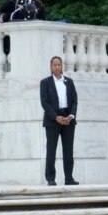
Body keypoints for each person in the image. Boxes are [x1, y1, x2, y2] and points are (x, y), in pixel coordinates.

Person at [40, 56, 78, 186]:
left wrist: (71, 116)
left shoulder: (69, 82)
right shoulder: (45, 82)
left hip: (68, 119)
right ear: (50, 67)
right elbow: (44, 102)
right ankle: (50, 178)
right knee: (51, 150)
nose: (57, 67)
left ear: (62, 66)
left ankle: (69, 178)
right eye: (54, 65)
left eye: (59, 65)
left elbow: (74, 101)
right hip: (52, 120)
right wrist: (56, 117)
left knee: (68, 150)